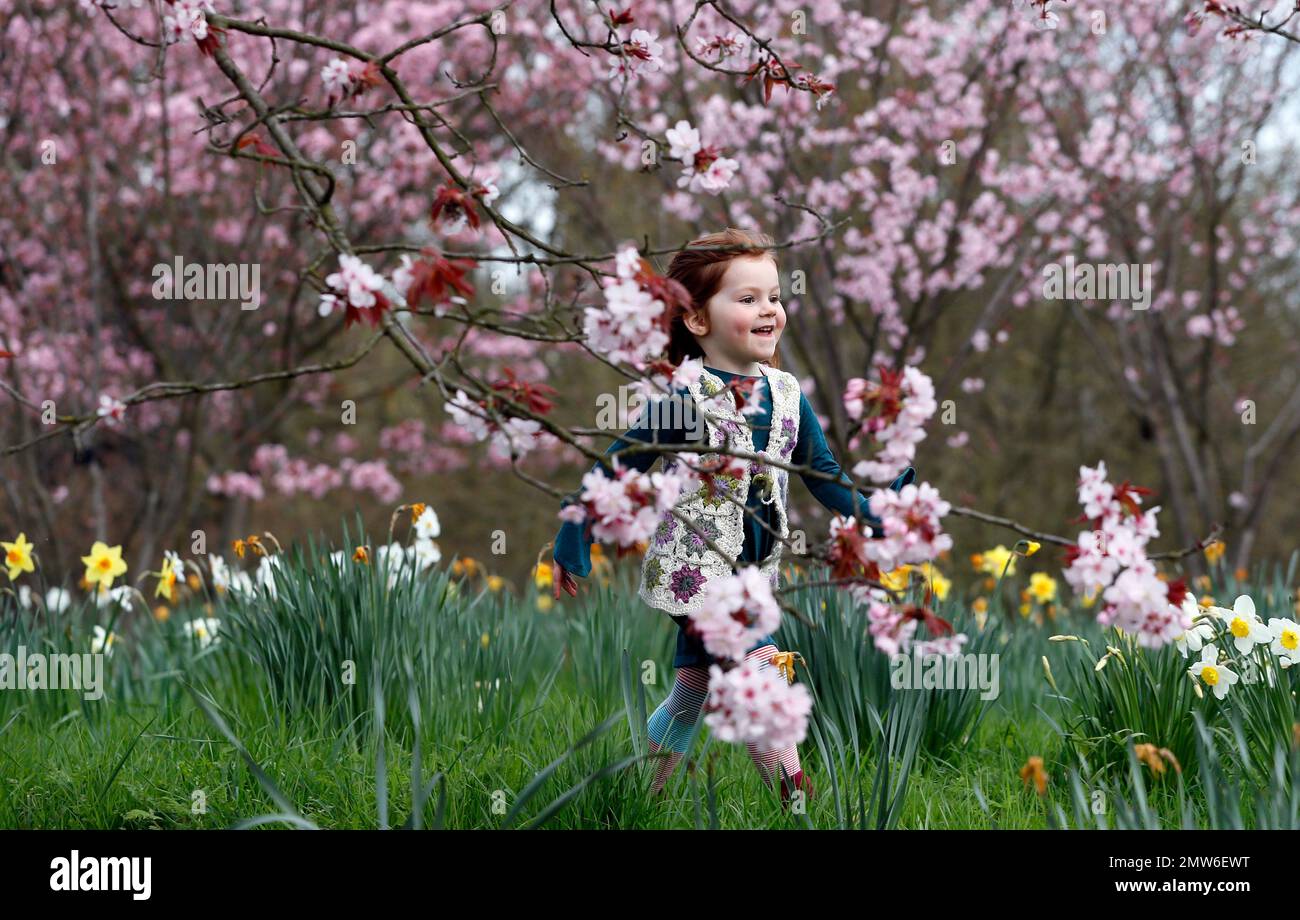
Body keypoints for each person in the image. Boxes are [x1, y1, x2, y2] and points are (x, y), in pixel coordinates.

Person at [551, 227, 914, 800]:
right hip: (694, 574)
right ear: (698, 320)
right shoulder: (685, 399)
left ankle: (639, 798)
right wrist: (575, 537)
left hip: (754, 571)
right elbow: (619, 468)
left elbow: (821, 471)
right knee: (761, 675)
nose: (768, 309)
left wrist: (874, 513)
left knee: (692, 690)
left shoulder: (788, 392)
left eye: (772, 296)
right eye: (747, 300)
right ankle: (798, 801)